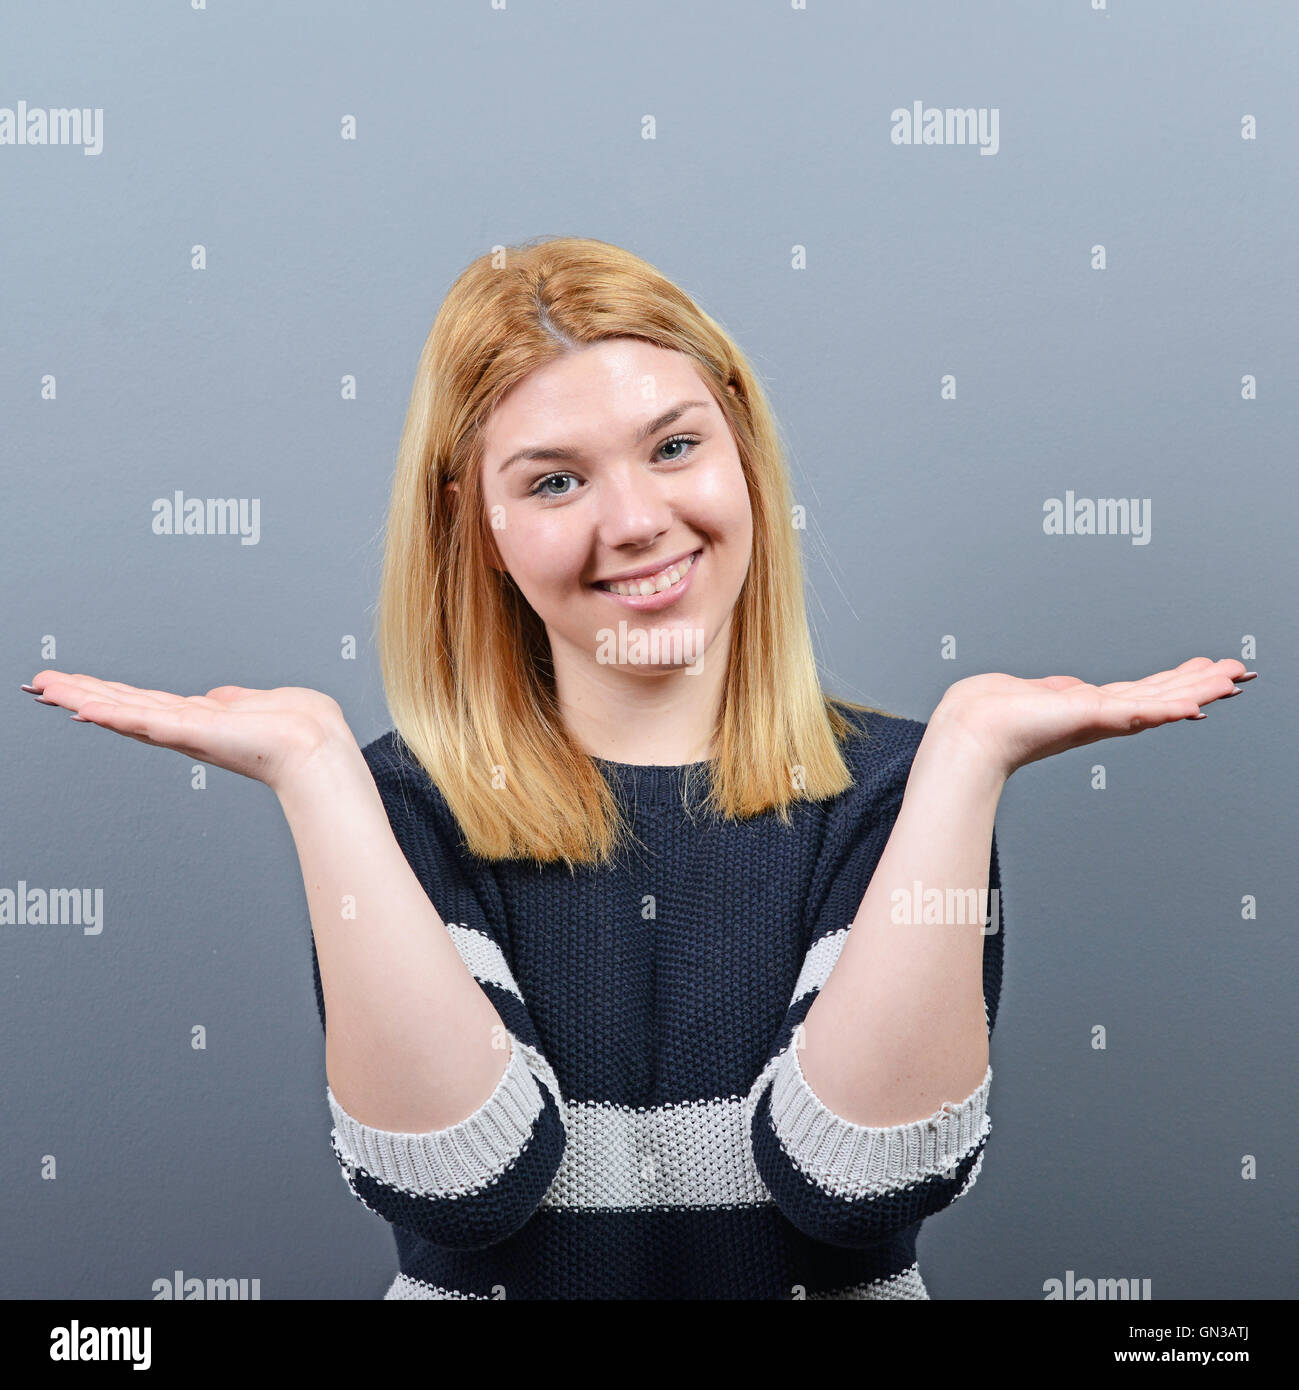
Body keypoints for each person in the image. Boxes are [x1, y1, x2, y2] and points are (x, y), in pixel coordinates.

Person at [25, 236, 1253, 1300]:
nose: (636, 521)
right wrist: (315, 773)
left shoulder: (901, 789)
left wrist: (971, 750)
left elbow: (859, 1188)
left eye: (673, 447)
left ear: (740, 444)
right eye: (555, 480)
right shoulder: (400, 805)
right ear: (477, 525)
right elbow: (462, 1187)